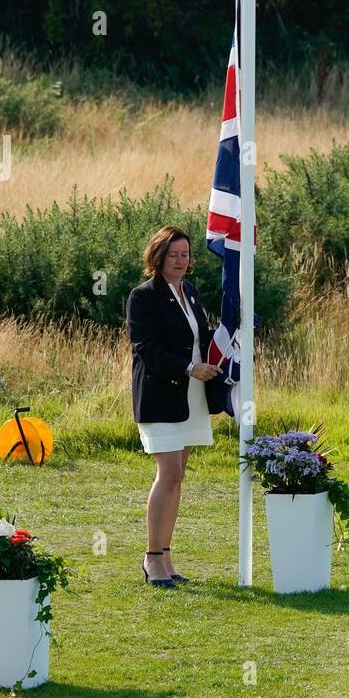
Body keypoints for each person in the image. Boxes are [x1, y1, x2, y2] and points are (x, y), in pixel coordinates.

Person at [126, 226, 222, 588]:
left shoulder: (191, 293)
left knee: (178, 475)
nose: (180, 261)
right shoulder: (143, 296)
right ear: (158, 257)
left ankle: (166, 554)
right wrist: (188, 368)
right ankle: (151, 557)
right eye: (173, 255)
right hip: (160, 396)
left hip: (193, 397)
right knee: (167, 473)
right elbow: (146, 349)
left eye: (185, 254)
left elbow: (201, 337)